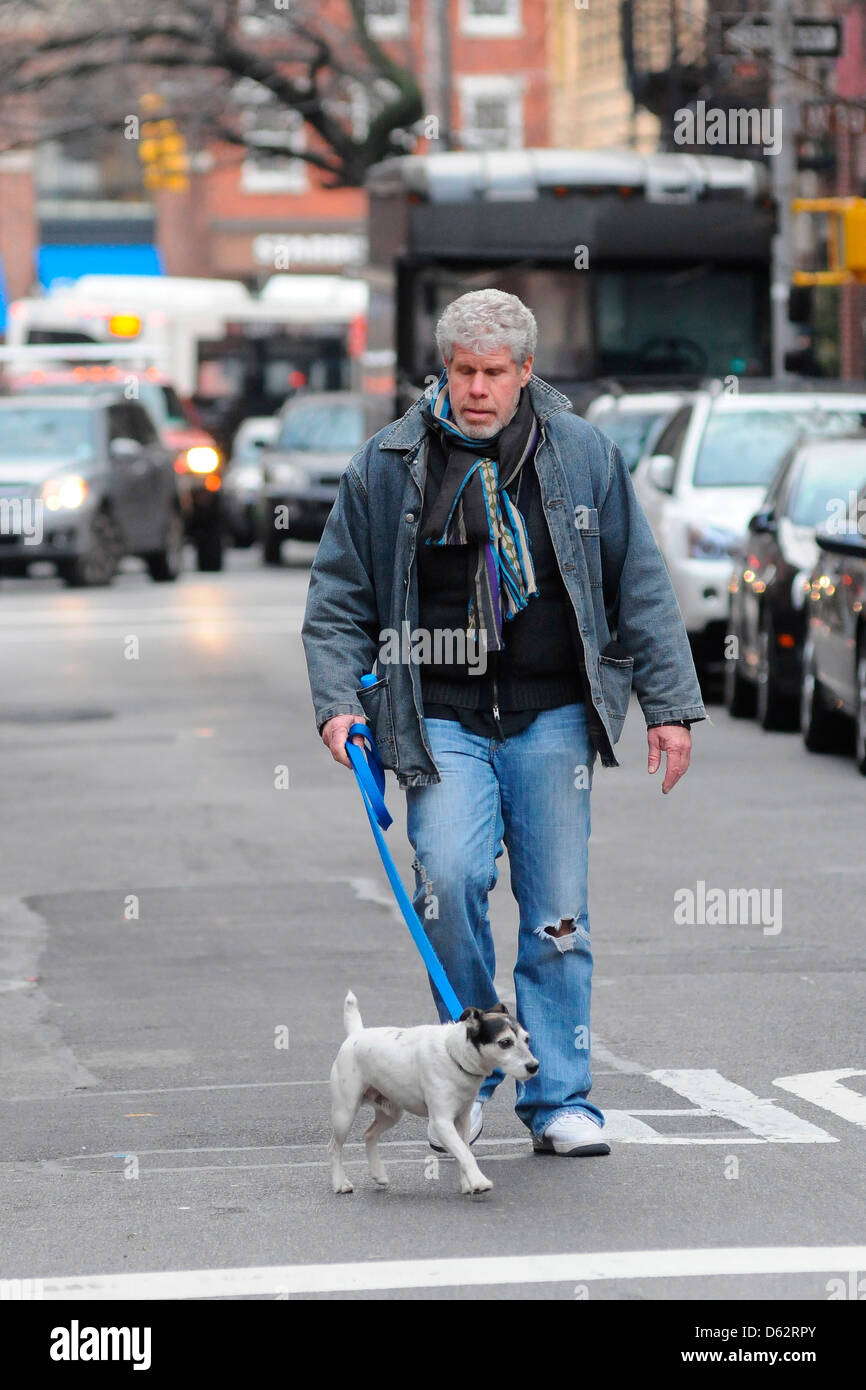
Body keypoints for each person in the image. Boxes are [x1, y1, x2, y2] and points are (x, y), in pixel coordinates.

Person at [302, 289, 705, 1158]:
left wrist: (669, 709)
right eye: (463, 371)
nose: (477, 389)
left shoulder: (583, 456)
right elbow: (337, 597)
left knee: (558, 917)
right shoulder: (389, 462)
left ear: (527, 373)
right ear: (442, 371)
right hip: (438, 713)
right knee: (446, 878)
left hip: (551, 712)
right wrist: (338, 703)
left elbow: (640, 584)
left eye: (494, 373)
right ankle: (473, 1065)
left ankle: (561, 1098)